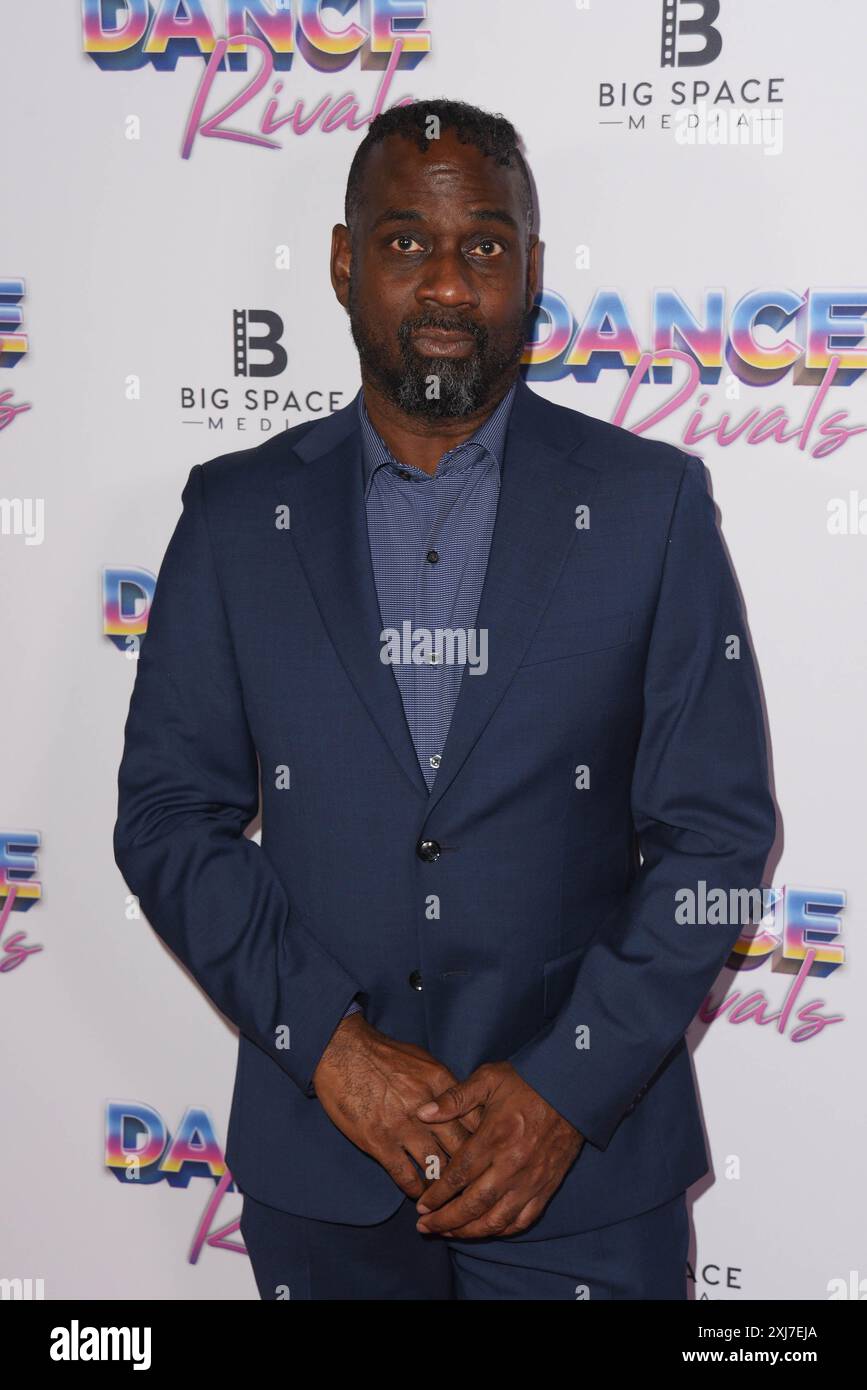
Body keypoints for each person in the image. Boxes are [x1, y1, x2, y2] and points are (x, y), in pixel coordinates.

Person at [113, 99, 776, 1300]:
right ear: (341, 262)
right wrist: (332, 1050)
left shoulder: (649, 505)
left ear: (530, 271)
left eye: (484, 246)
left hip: (586, 1185)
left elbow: (719, 838)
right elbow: (167, 816)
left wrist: (564, 1089)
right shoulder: (234, 518)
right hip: (327, 1187)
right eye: (406, 239)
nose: (446, 284)